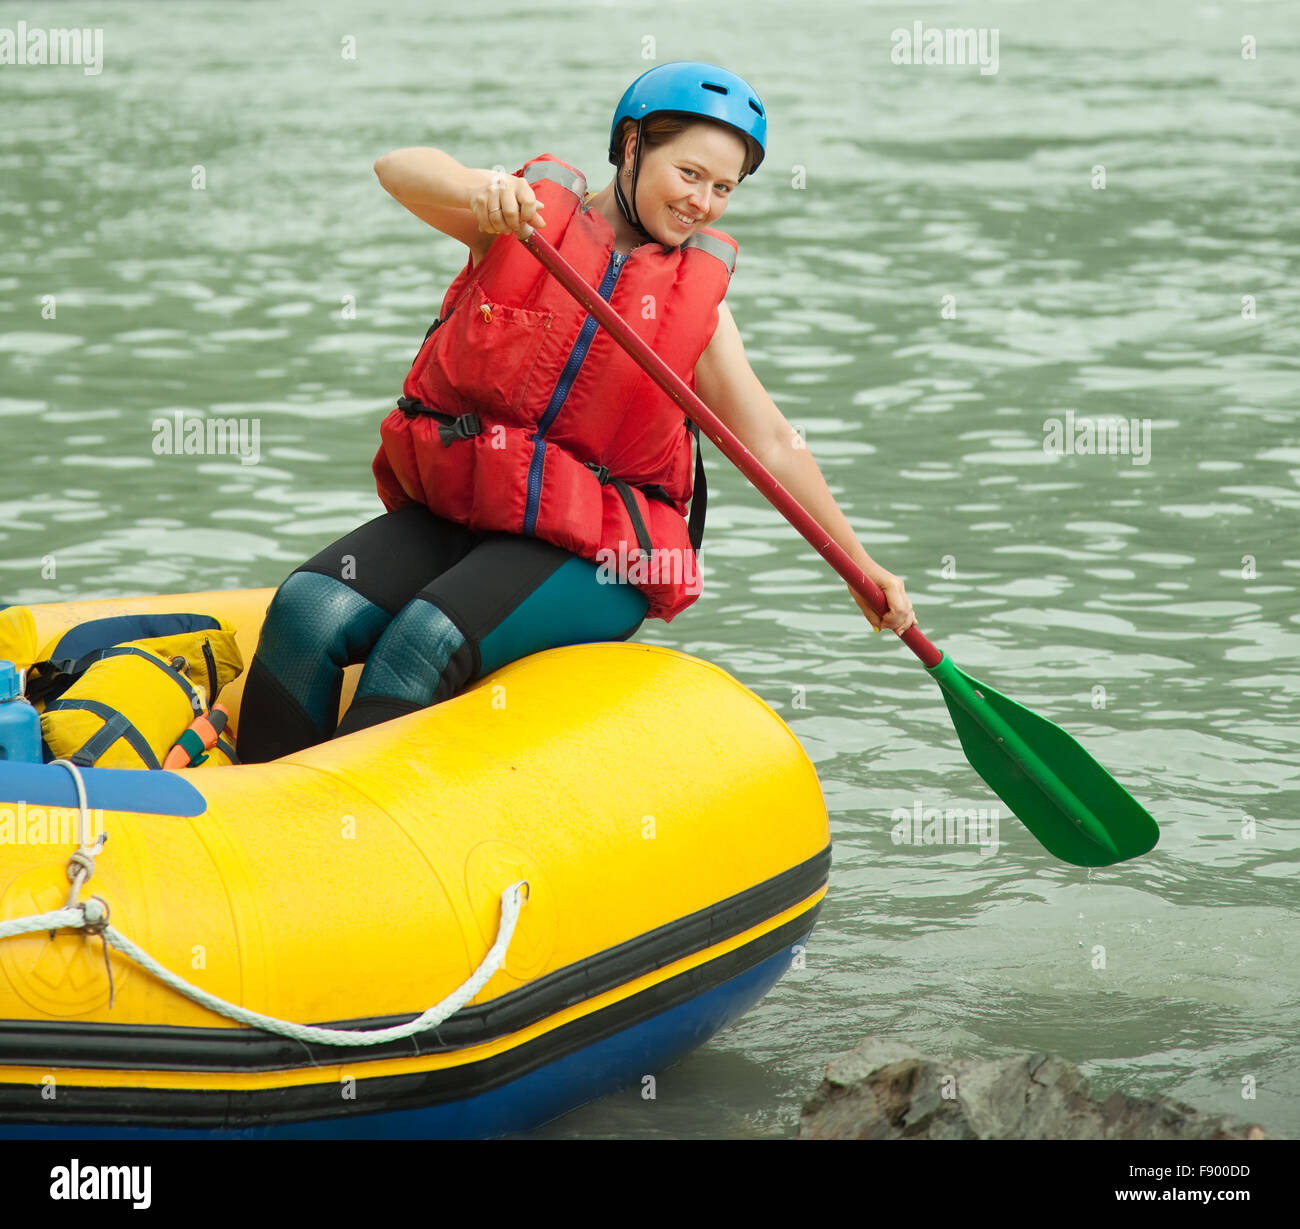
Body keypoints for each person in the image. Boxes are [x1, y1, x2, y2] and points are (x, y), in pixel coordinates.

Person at [235, 61, 915, 763]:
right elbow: (397, 168)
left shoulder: (699, 315)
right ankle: (251, 811)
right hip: (470, 509)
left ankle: (350, 838)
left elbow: (771, 442)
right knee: (307, 611)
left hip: (598, 554)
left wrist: (859, 566)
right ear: (630, 146)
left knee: (422, 640)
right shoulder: (520, 220)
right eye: (688, 174)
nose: (703, 203)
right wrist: (485, 189)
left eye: (724, 188)